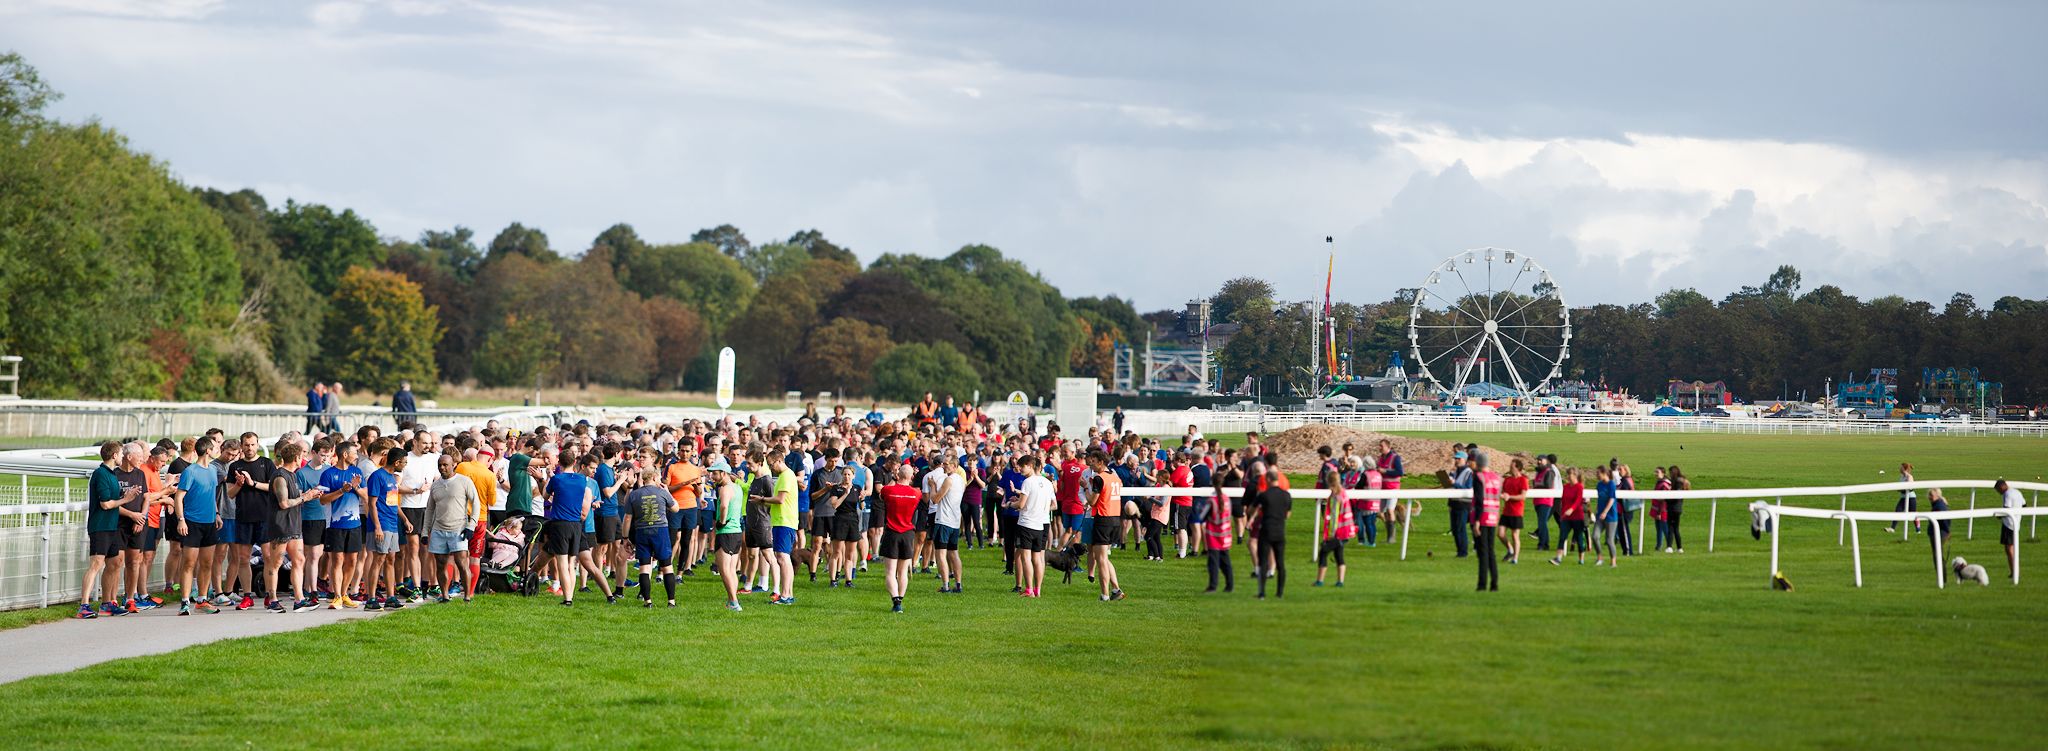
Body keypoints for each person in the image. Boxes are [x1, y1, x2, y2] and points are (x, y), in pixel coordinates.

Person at [80, 441, 140, 618]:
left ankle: (107, 603)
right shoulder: (101, 474)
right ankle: (84, 605)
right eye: (121, 454)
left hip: (112, 526)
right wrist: (126, 499)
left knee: (115, 563)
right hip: (100, 526)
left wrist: (127, 496)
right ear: (114, 455)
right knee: (96, 564)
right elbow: (105, 504)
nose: (122, 456)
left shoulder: (111, 475)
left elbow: (114, 499)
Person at [172, 437, 227, 615]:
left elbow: (211, 496)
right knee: (189, 562)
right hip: (192, 523)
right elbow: (179, 497)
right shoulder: (190, 471)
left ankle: (202, 600)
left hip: (209, 522)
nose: (217, 450)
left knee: (207, 563)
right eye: (215, 448)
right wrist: (181, 519)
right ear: (208, 451)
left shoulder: (212, 470)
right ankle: (185, 601)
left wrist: (217, 514)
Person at [319, 441, 368, 609]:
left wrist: (356, 488)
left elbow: (366, 496)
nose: (357, 455)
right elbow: (322, 499)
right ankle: (337, 595)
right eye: (355, 452)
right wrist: (342, 490)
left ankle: (345, 593)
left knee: (352, 560)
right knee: (337, 559)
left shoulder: (357, 472)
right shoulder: (328, 474)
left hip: (354, 524)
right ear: (345, 455)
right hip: (335, 525)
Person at [619, 466, 676, 607]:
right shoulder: (662, 492)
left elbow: (627, 518)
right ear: (655, 478)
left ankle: (647, 601)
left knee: (644, 567)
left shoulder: (634, 495)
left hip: (642, 531)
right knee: (667, 567)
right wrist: (668, 492)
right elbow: (676, 508)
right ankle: (671, 601)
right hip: (660, 531)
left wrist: (625, 538)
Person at [877, 464, 922, 612]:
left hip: (892, 532)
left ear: (897, 475)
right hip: (908, 533)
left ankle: (895, 600)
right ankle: (900, 600)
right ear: (911, 477)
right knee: (903, 571)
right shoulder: (916, 493)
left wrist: (894, 478)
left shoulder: (888, 490)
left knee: (890, 571)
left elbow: (881, 493)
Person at [1011, 455, 1053, 598]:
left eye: (1021, 466)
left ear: (1029, 465)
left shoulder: (1027, 482)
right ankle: (1037, 589)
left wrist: (1011, 504)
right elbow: (1051, 504)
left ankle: (1029, 589)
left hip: (1027, 523)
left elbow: (1021, 505)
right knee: (1037, 558)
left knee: (1026, 558)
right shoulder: (1047, 483)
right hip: (1041, 524)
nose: (1020, 469)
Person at [1086, 451, 1126, 601]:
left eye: (1094, 461)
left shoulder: (1099, 478)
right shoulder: (1115, 477)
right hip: (1115, 518)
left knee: (1100, 559)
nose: (1091, 463)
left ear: (1101, 462)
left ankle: (1105, 595)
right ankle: (1116, 589)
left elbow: (1092, 501)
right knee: (1103, 557)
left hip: (1103, 519)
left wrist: (1085, 488)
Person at [708, 458, 745, 611]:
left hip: (726, 532)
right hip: (736, 532)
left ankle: (734, 602)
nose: (712, 477)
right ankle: (732, 601)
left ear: (723, 473)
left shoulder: (725, 489)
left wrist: (721, 521)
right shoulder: (738, 488)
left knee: (724, 570)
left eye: (715, 474)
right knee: (731, 570)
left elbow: (723, 505)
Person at [1250, 466, 1291, 599]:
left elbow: (1252, 509)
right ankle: (1280, 593)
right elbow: (1288, 515)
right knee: (1280, 563)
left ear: (1268, 479)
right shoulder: (1286, 495)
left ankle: (1262, 593)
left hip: (1266, 530)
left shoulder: (1264, 495)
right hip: (1279, 531)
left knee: (1263, 563)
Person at [1316, 457, 1357, 587]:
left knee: (1323, 553)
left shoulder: (1336, 497)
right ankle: (1340, 581)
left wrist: (1330, 535)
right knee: (1339, 556)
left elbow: (1335, 517)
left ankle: (1320, 581)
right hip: (1346, 531)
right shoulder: (1343, 493)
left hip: (1339, 532)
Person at [766, 452, 801, 605]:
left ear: (779, 461)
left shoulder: (786, 476)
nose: (771, 467)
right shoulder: (785, 476)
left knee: (783, 558)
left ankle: (786, 595)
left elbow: (780, 499)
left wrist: (761, 500)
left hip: (784, 521)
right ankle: (788, 593)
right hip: (784, 521)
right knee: (783, 557)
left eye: (772, 464)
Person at [1472, 454, 1502, 592]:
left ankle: (1482, 584)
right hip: (1493, 515)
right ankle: (1494, 583)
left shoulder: (1478, 477)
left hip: (1482, 517)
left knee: (1482, 552)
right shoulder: (1496, 478)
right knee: (1491, 551)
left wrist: (1477, 520)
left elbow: (1479, 500)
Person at [1550, 469, 1589, 566]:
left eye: (1569, 475)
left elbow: (1578, 500)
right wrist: (1562, 514)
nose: (1567, 477)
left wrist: (1571, 509)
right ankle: (1558, 558)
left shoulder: (1579, 487)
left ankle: (1581, 559)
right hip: (1566, 517)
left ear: (1575, 475)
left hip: (1577, 516)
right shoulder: (1566, 487)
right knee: (1562, 536)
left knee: (1579, 538)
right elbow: (1563, 501)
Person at [1203, 474, 1235, 593]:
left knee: (1213, 562)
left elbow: (1202, 516)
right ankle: (1229, 585)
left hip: (1213, 535)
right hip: (1225, 533)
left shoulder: (1211, 500)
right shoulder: (1227, 499)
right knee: (1226, 561)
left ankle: (1213, 586)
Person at [1447, 446, 1474, 557]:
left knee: (1460, 528)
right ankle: (1459, 551)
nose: (1456, 460)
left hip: (1463, 504)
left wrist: (1454, 483)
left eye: (1459, 459)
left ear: (1465, 461)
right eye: (1456, 459)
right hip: (1454, 503)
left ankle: (1463, 552)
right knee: (1455, 529)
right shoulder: (1455, 471)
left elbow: (1467, 487)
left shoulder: (1469, 472)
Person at [1500, 459, 1528, 565]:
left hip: (1517, 512)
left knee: (1515, 535)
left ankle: (1515, 558)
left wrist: (1509, 497)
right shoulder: (1507, 480)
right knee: (1500, 533)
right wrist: (1502, 496)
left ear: (1517, 467)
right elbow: (1503, 493)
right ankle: (1510, 549)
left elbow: (1523, 496)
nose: (1509, 468)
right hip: (1506, 511)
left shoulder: (1523, 480)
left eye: (1511, 466)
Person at [1593, 465, 1620, 568]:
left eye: (1598, 473)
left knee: (1609, 540)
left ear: (1604, 473)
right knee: (1595, 536)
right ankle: (1600, 557)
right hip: (1600, 516)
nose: (1596, 475)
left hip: (1611, 517)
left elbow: (1611, 499)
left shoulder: (1611, 484)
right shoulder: (1599, 485)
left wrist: (1605, 512)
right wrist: (1597, 511)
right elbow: (1600, 499)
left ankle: (1613, 561)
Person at [1997, 479, 2023, 580]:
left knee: (2009, 549)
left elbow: (2006, 509)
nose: (1999, 493)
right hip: (2016, 523)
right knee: (2011, 548)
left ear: (2001, 487)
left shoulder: (2007, 494)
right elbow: (2024, 505)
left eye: (1998, 490)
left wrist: (1998, 516)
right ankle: (2014, 571)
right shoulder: (2017, 492)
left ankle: (2014, 572)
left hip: (2009, 524)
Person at [1885, 462, 1918, 535]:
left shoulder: (1909, 477)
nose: (1899, 469)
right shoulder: (1902, 477)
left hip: (1911, 497)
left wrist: (1902, 488)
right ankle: (1892, 528)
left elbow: (1910, 487)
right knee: (1897, 511)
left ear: (1904, 468)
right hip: (1903, 497)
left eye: (1901, 467)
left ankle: (1918, 530)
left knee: (1913, 514)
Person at [1666, 465, 1689, 553]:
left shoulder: (1677, 482)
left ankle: (1670, 547)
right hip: (1678, 507)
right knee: (1675, 528)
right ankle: (1678, 547)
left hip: (1674, 507)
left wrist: (1666, 499)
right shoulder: (1681, 481)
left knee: (1672, 528)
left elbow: (1676, 496)